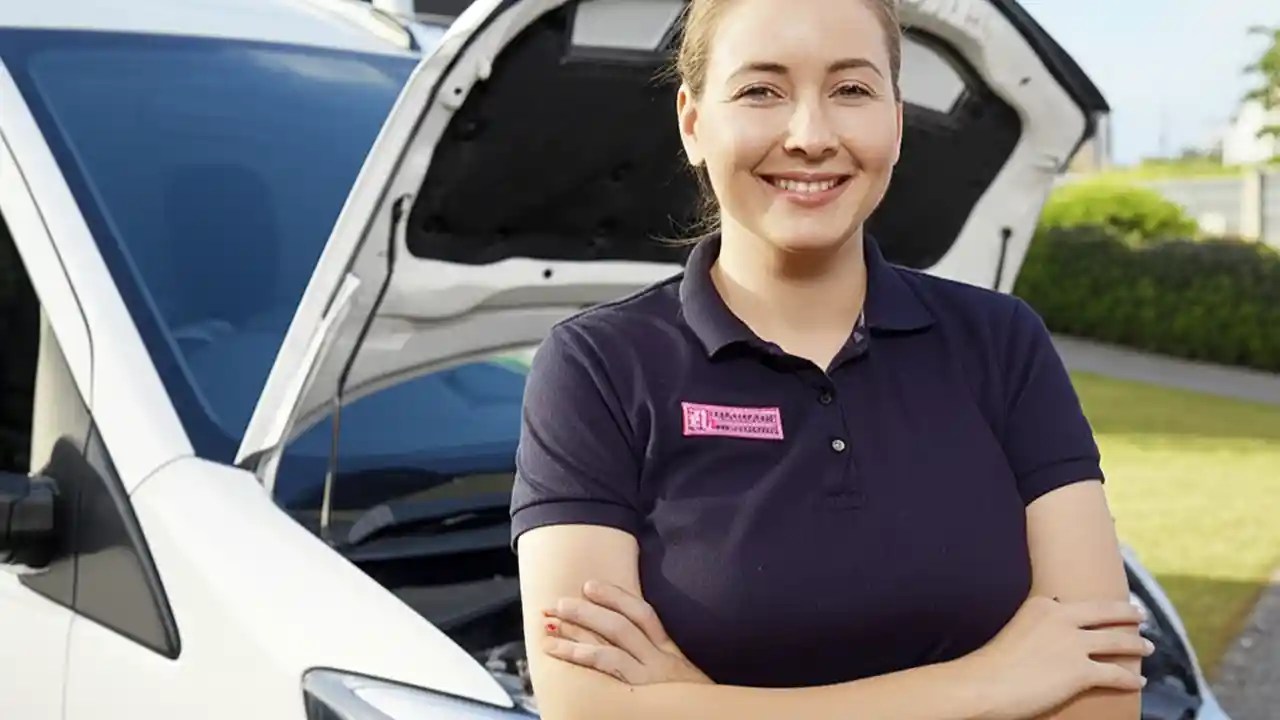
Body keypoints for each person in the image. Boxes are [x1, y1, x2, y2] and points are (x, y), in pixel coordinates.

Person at [509, 0, 1152, 718]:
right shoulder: (597, 367)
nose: (811, 136)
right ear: (693, 122)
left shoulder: (1002, 343)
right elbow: (590, 708)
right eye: (761, 90)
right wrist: (994, 682)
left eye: (851, 90)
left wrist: (695, 703)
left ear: (897, 121)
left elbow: (1099, 697)